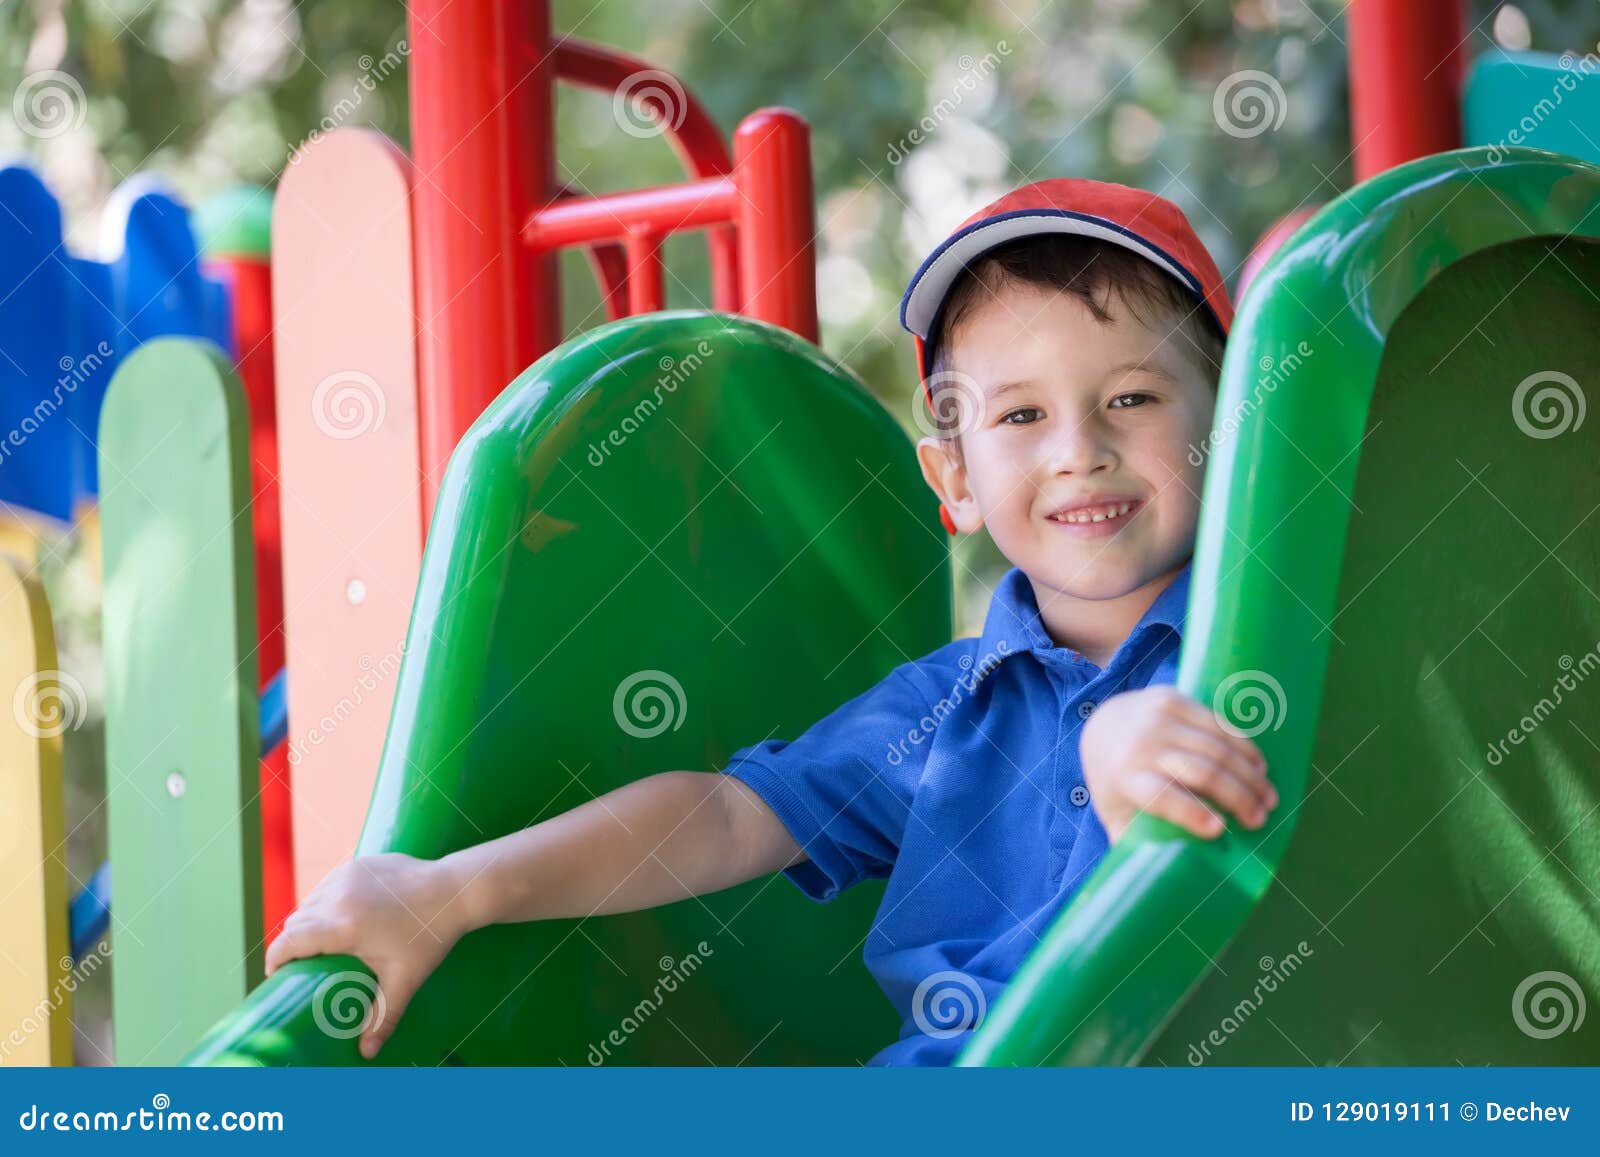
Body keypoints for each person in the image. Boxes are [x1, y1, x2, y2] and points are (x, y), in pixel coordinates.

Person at [264, 178, 1278, 1065]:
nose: (1078, 449)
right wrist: (451, 889)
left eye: (1132, 395)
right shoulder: (947, 709)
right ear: (956, 478)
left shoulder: (1275, 643)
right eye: (1020, 416)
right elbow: (724, 815)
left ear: (1233, 425)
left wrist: (1143, 750)